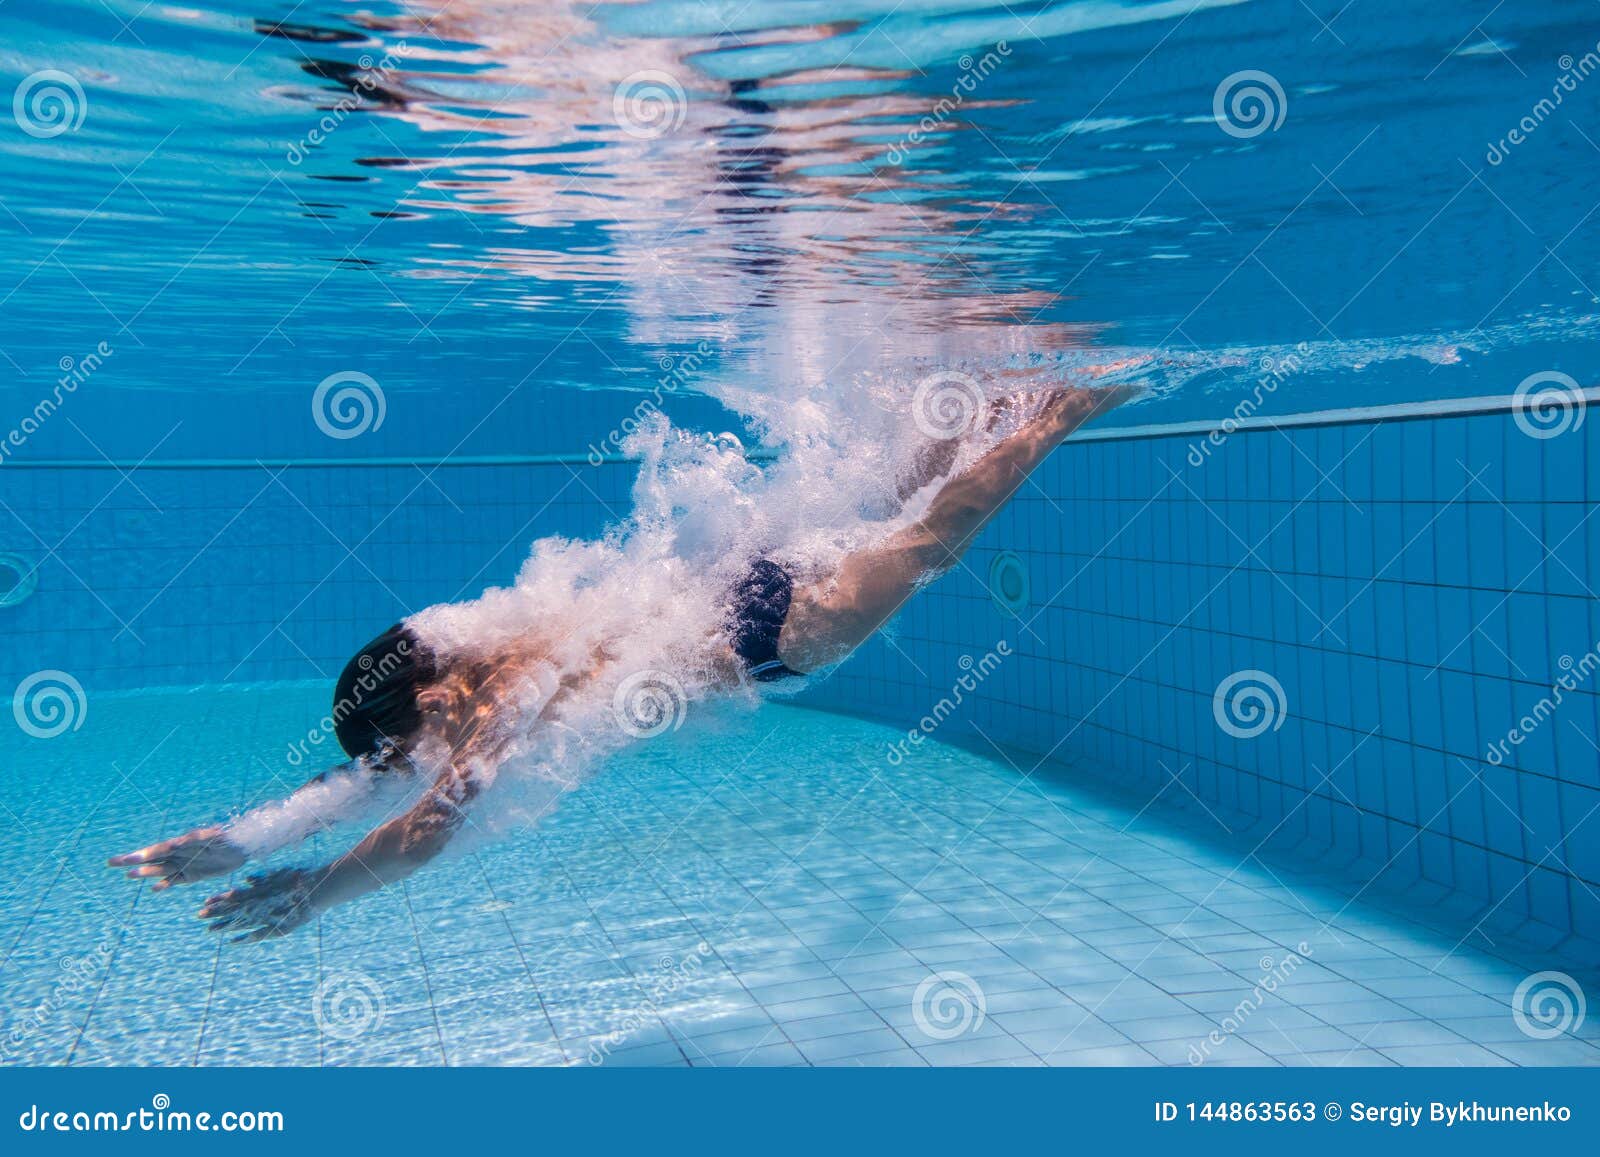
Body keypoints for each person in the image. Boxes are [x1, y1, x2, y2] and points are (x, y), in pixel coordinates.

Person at [108, 384, 1130, 940]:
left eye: (412, 737)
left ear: (426, 693)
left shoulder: (505, 686)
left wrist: (313, 894)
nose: (417, 754)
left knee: (926, 541)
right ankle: (988, 404)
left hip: (773, 635)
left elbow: (432, 824)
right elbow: (367, 784)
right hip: (737, 602)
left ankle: (1052, 409)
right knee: (900, 513)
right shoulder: (463, 681)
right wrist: (238, 840)